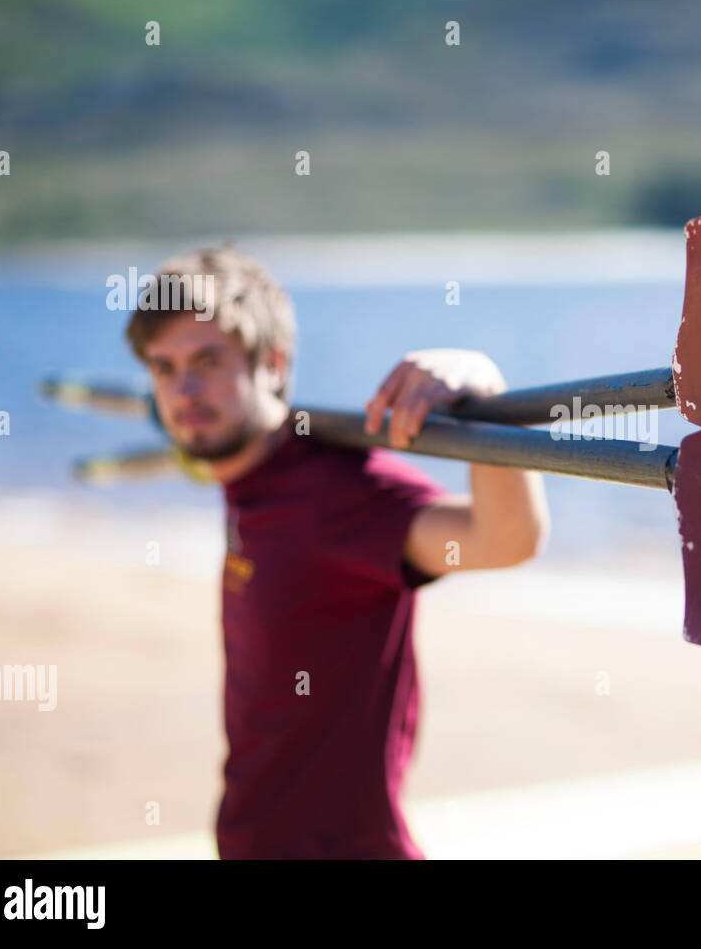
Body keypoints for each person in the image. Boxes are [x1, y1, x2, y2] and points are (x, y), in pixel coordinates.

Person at [124, 245, 549, 858]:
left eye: (208, 361)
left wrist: (485, 388)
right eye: (164, 370)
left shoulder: (334, 490)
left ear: (273, 363)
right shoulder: (244, 470)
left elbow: (505, 540)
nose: (184, 390)